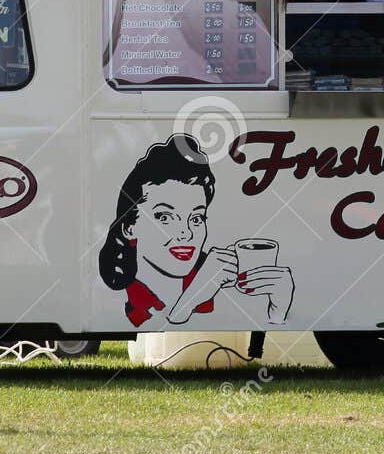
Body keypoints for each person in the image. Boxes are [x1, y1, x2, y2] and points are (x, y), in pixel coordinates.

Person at [98, 135, 293, 326]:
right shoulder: (127, 294)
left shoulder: (210, 279)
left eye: (197, 218)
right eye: (164, 217)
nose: (187, 233)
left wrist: (278, 310)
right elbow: (161, 320)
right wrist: (193, 297)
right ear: (129, 228)